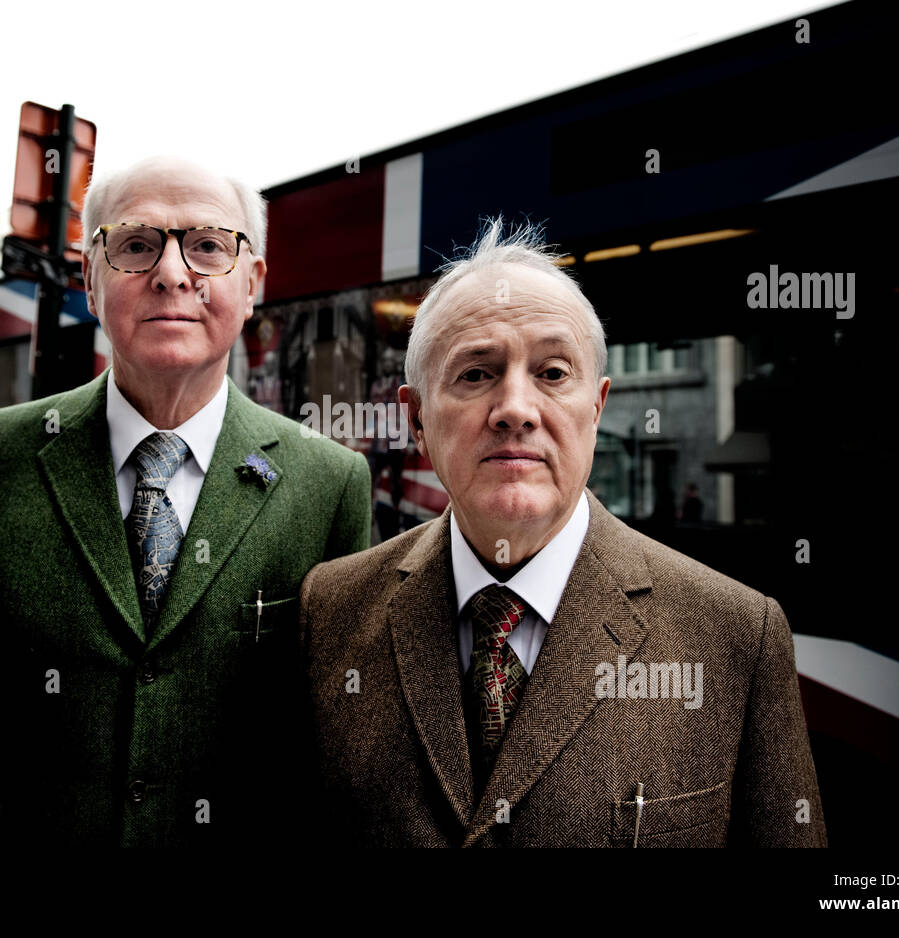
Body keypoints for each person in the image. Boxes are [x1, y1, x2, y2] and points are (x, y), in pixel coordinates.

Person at [0, 157, 371, 847]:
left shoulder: (329, 483)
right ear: (90, 280)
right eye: (135, 244)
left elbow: (340, 757)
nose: (171, 272)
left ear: (251, 283)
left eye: (208, 246)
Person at [299, 219, 825, 847]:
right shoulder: (329, 611)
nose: (516, 408)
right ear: (416, 418)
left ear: (596, 408)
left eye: (552, 373)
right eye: (475, 373)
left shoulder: (739, 634)